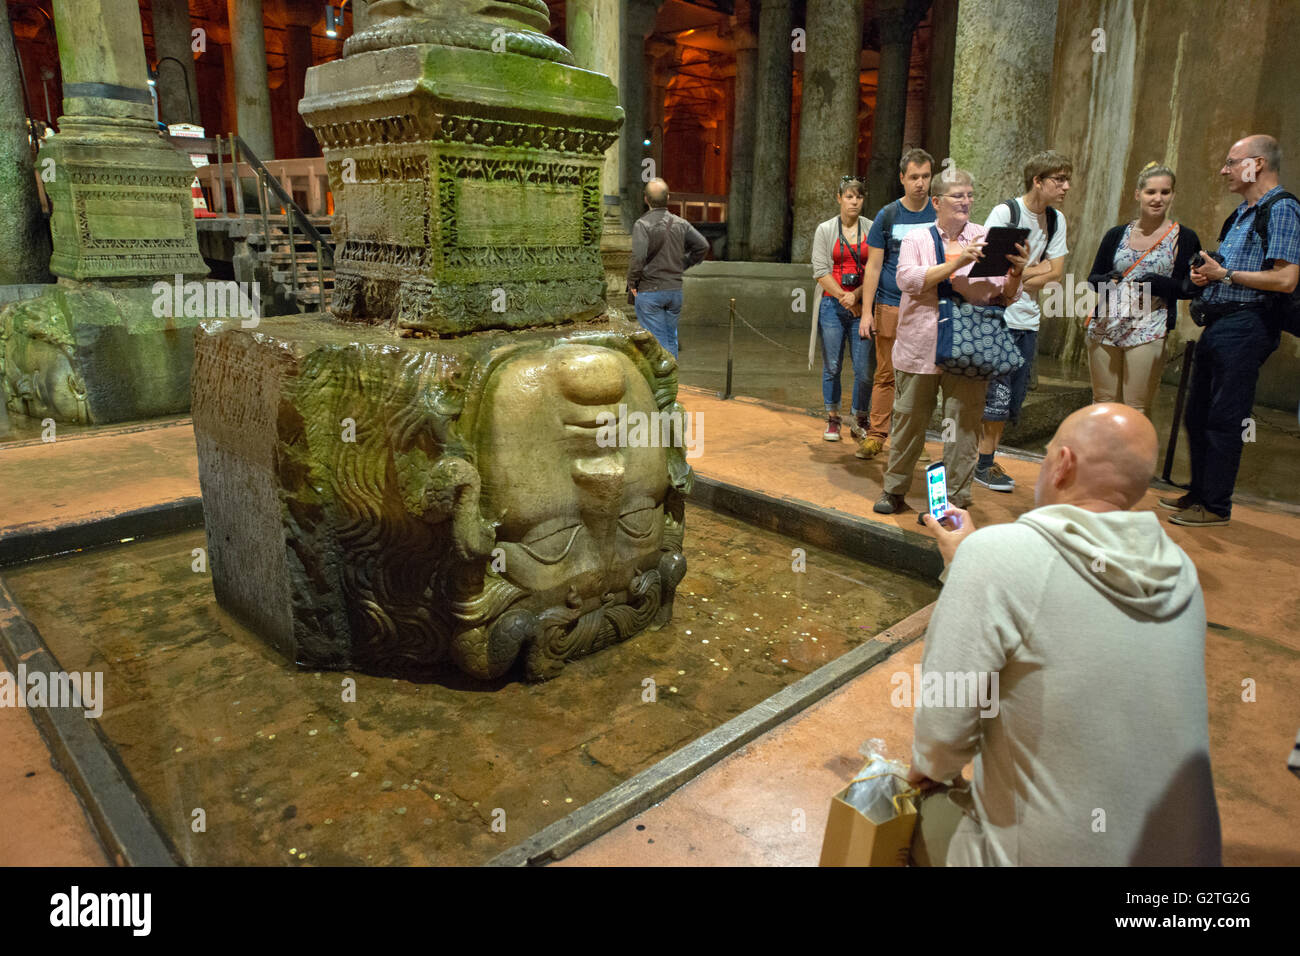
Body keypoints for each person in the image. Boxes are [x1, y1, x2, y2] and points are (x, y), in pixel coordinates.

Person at [911, 404, 1222, 866]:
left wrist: (974, 559)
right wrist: (971, 558)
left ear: (1063, 464)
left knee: (898, 806)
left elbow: (938, 745)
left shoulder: (996, 557)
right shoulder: (1180, 574)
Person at [1164, 134, 1300, 527]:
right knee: (1198, 412)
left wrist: (1225, 274)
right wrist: (1208, 275)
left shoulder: (1283, 209)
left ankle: (1217, 505)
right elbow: (1231, 268)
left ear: (1255, 164)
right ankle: (1199, 493)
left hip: (1250, 324)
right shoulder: (1243, 212)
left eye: (1231, 162)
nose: (1224, 170)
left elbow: (1287, 278)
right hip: (1224, 322)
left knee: (1226, 417)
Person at [873, 168, 1026, 515]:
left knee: (963, 427)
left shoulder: (985, 236)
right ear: (938, 201)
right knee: (909, 421)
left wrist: (1016, 272)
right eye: (959, 195)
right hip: (921, 345)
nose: (967, 201)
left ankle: (955, 500)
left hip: (971, 347)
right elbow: (908, 279)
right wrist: (959, 261)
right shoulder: (917, 238)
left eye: (971, 195)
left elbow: (1004, 294)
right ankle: (894, 490)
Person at [975, 150, 1072, 493]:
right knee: (995, 395)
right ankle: (982, 463)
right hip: (999, 316)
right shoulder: (1007, 213)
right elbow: (990, 269)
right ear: (1038, 180)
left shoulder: (1057, 220)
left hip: (1028, 320)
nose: (1066, 186)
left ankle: (984, 457)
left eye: (1066, 179)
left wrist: (1021, 273)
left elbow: (1057, 272)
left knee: (1014, 396)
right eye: (1059, 179)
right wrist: (1030, 272)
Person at [1085, 163, 1202, 415]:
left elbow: (1192, 286)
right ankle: (1102, 455)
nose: (1158, 199)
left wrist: (1163, 285)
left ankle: (1130, 456)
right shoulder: (1117, 234)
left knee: (1135, 408)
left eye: (1165, 192)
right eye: (1151, 192)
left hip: (1149, 327)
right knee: (1102, 401)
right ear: (1138, 194)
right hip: (1106, 325)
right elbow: (1092, 278)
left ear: (1173, 195)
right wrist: (1107, 280)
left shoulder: (1184, 237)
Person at [856, 148, 938, 459]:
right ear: (902, 178)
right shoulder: (888, 215)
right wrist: (866, 312)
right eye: (914, 177)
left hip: (927, 309)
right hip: (890, 305)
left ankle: (915, 439)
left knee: (922, 378)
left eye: (926, 177)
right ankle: (876, 435)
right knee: (886, 373)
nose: (920, 183)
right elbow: (874, 266)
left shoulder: (938, 213)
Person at [809, 176, 874, 443]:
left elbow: (875, 267)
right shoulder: (825, 229)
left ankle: (860, 416)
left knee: (863, 367)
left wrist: (857, 297)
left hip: (862, 304)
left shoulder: (871, 228)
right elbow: (820, 270)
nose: (854, 201)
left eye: (858, 197)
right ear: (839, 198)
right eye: (849, 196)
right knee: (833, 365)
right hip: (830, 303)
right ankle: (833, 417)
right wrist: (843, 296)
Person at [625, 177, 709, 359]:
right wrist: (683, 263)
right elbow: (703, 246)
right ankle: (672, 380)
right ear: (668, 197)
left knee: (659, 343)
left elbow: (638, 257)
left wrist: (632, 281)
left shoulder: (642, 225)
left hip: (650, 291)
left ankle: (665, 382)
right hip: (674, 292)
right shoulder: (681, 223)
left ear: (646, 199)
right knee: (671, 338)